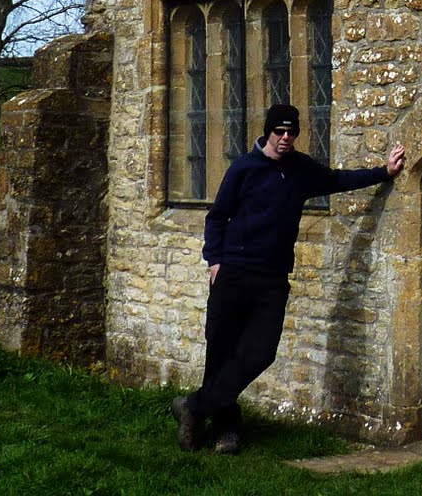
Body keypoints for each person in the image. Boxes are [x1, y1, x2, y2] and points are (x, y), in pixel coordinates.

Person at [170, 103, 405, 454]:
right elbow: (217, 217)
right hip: (233, 273)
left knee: (260, 352)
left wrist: (384, 171)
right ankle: (225, 431)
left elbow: (338, 180)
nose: (285, 139)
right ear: (268, 132)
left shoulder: (300, 170)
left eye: (291, 133)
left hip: (272, 278)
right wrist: (215, 262)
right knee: (221, 352)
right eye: (279, 133)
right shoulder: (243, 169)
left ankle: (192, 407)